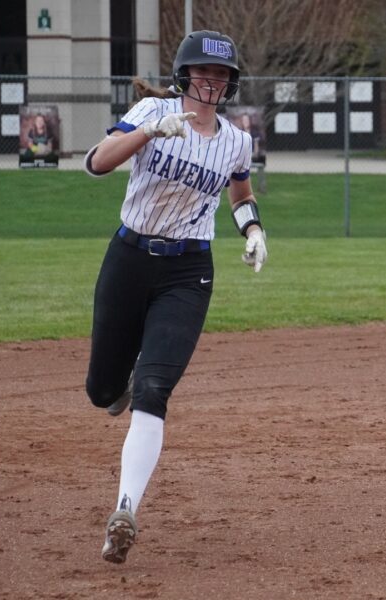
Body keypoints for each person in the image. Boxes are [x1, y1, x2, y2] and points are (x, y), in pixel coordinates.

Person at [81, 30, 268, 565]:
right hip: (130, 259)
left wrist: (252, 230)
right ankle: (122, 384)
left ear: (230, 85)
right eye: (204, 73)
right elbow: (95, 163)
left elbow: (240, 193)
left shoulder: (235, 140)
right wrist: (149, 133)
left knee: (155, 388)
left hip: (189, 269)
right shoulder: (149, 111)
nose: (212, 82)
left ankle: (124, 511)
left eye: (222, 76)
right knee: (101, 391)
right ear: (185, 75)